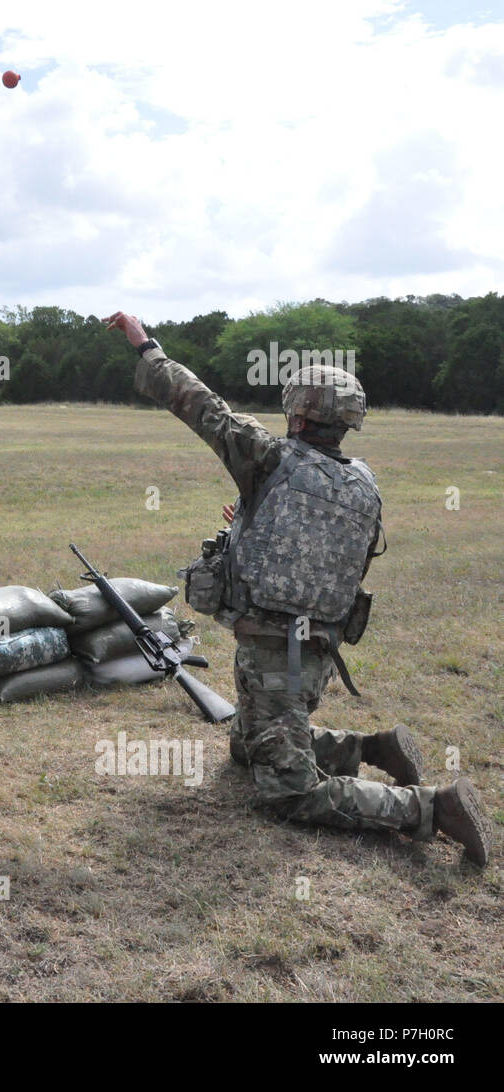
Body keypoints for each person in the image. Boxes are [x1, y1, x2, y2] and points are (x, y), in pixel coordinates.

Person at [104, 311, 490, 867]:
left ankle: (432, 808)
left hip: (274, 652)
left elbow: (195, 401)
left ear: (297, 413)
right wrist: (251, 524)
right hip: (318, 653)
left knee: (288, 789)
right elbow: (331, 555)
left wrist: (147, 347)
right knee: (246, 744)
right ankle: (368, 747)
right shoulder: (362, 482)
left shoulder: (268, 458)